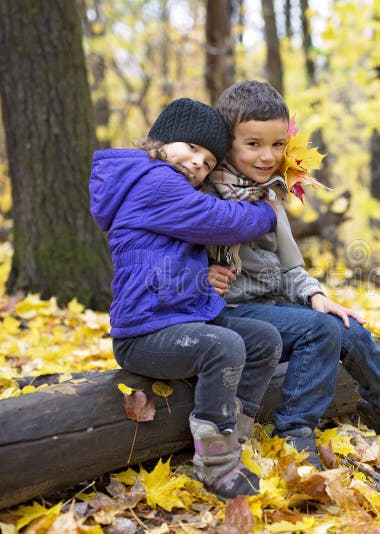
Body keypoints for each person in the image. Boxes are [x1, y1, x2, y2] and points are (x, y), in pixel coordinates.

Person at [204, 81, 380, 469]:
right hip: (229, 313)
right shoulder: (204, 194)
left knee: (347, 325)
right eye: (253, 144)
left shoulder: (268, 192)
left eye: (278, 144)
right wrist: (200, 275)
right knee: (320, 331)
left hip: (269, 307)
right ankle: (296, 433)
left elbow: (288, 266)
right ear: (226, 142)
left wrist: (315, 297)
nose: (268, 156)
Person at [89, 97, 283, 499]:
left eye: (210, 162)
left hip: (177, 319)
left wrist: (201, 276)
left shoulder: (161, 183)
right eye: (192, 148)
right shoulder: (155, 180)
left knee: (265, 340)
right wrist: (269, 213)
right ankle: (215, 464)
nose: (199, 163)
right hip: (144, 333)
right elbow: (220, 221)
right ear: (161, 139)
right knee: (225, 345)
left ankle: (232, 437)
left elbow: (163, 259)